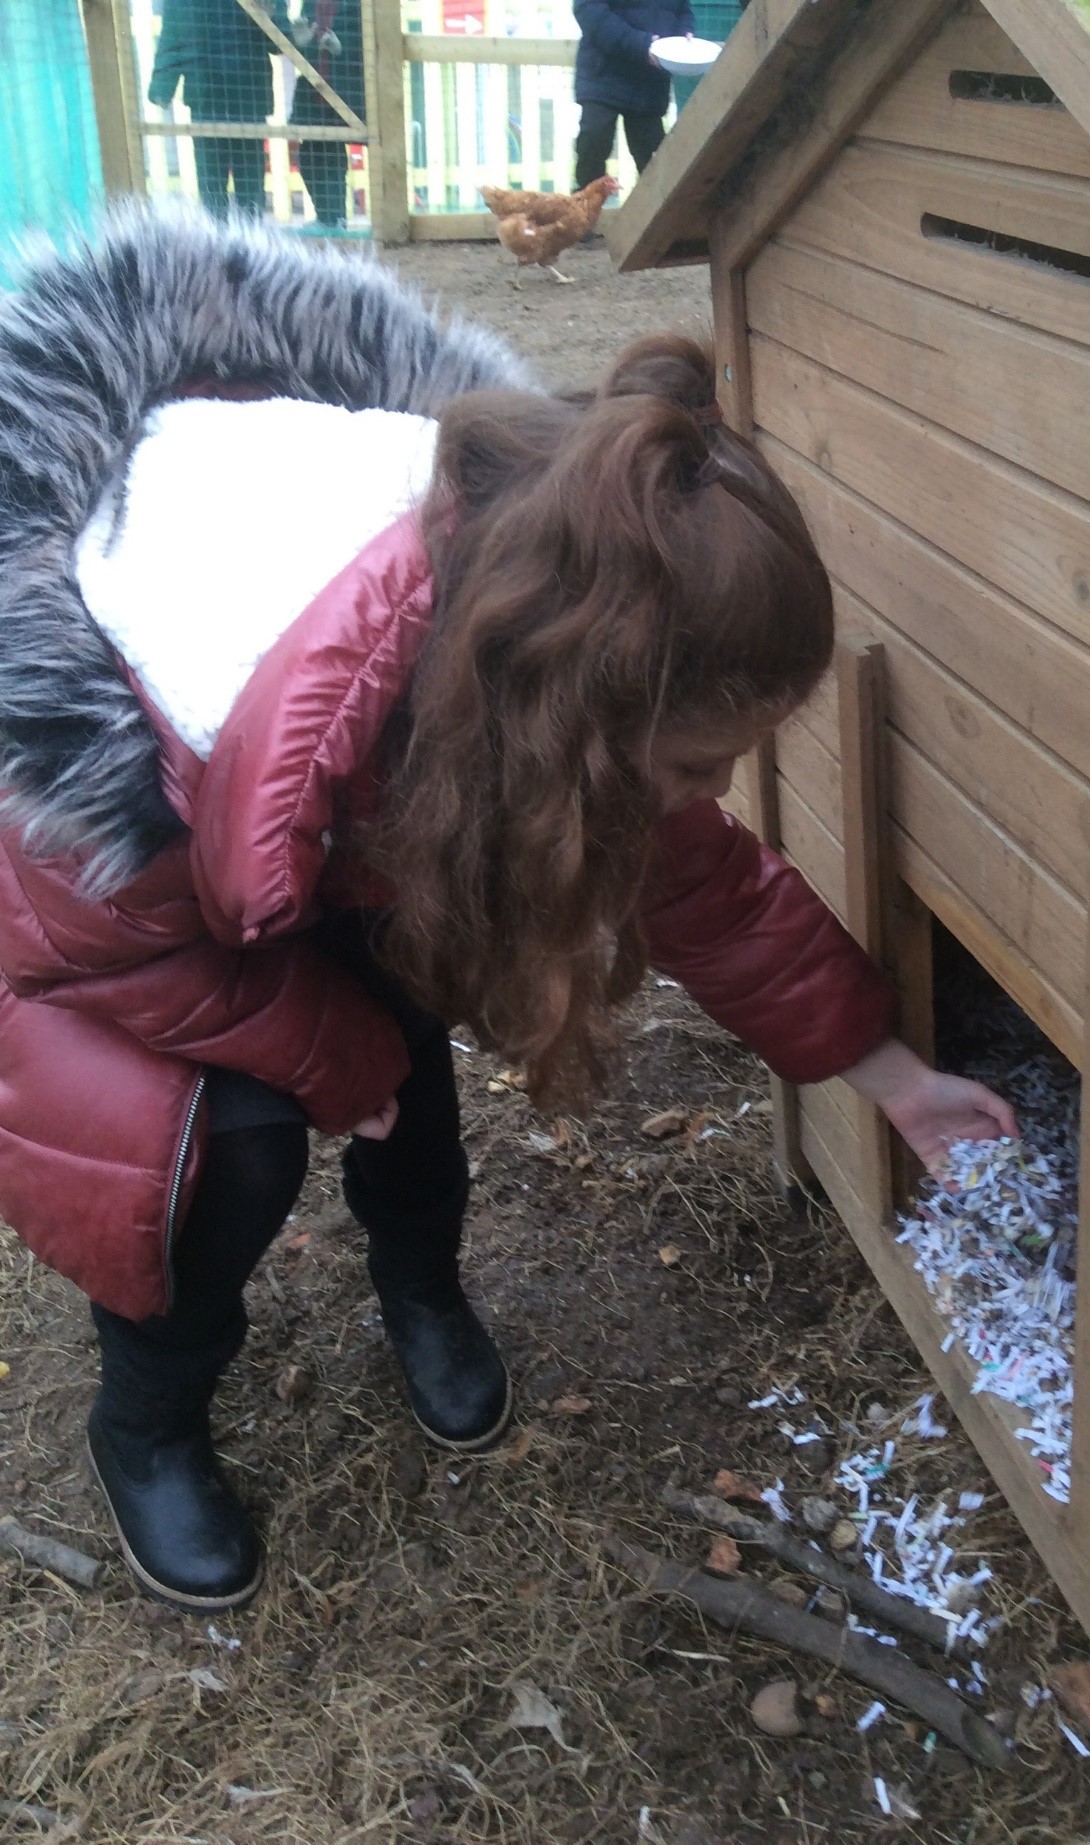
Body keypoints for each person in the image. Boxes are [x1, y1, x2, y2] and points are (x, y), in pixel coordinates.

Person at [0, 207, 1015, 1614]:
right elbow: (89, 949)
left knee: (410, 1057)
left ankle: (420, 1287)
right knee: (215, 1161)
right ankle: (149, 1414)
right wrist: (320, 1059)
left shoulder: (530, 673)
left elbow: (700, 880)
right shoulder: (139, 702)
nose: (709, 789)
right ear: (581, 718)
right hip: (103, 938)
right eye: (694, 760)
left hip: (318, 823)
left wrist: (885, 1071)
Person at [147, 0, 290, 217]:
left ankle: (249, 238)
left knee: (248, 183)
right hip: (209, 96)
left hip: (245, 96)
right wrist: (162, 86)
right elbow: (173, 31)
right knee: (212, 183)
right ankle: (219, 238)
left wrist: (269, 15)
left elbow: (278, 43)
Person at [572, 0, 695, 192]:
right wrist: (640, 44)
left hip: (649, 83)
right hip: (604, 73)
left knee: (655, 163)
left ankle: (659, 215)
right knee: (594, 141)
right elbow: (588, 9)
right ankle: (586, 212)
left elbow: (682, 11)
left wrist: (683, 35)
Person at [288, 1, 365, 230]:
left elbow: (372, 43)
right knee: (309, 154)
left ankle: (335, 218)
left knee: (332, 154)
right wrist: (303, 43)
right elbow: (304, 47)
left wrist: (341, 49)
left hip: (344, 91)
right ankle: (325, 217)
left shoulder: (360, 5)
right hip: (312, 92)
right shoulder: (310, 3)